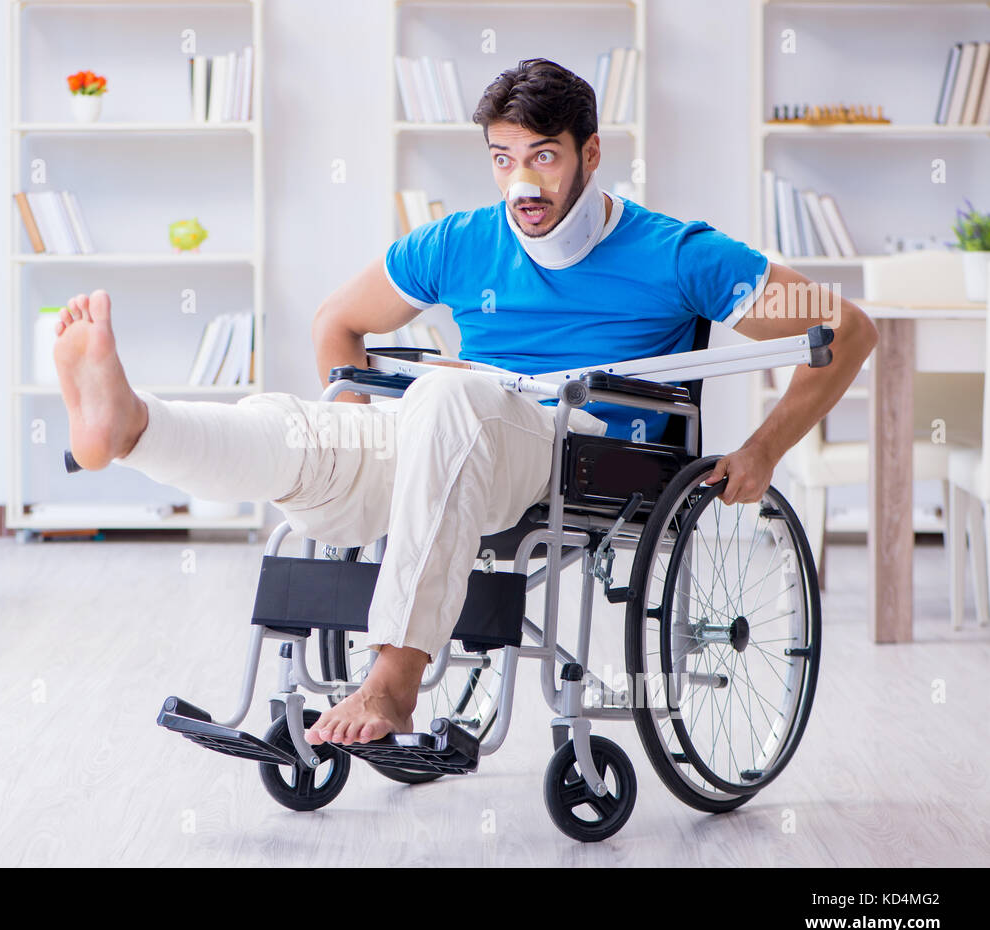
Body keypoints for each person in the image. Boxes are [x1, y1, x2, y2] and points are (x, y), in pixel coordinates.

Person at [51, 58, 877, 749]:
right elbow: (337, 320)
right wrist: (350, 408)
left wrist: (764, 450)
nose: (522, 181)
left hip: (575, 440)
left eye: (544, 157)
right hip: (449, 437)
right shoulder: (460, 239)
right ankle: (133, 426)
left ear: (592, 152)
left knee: (447, 389)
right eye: (502, 157)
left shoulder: (678, 252)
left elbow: (846, 330)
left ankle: (393, 682)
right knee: (305, 429)